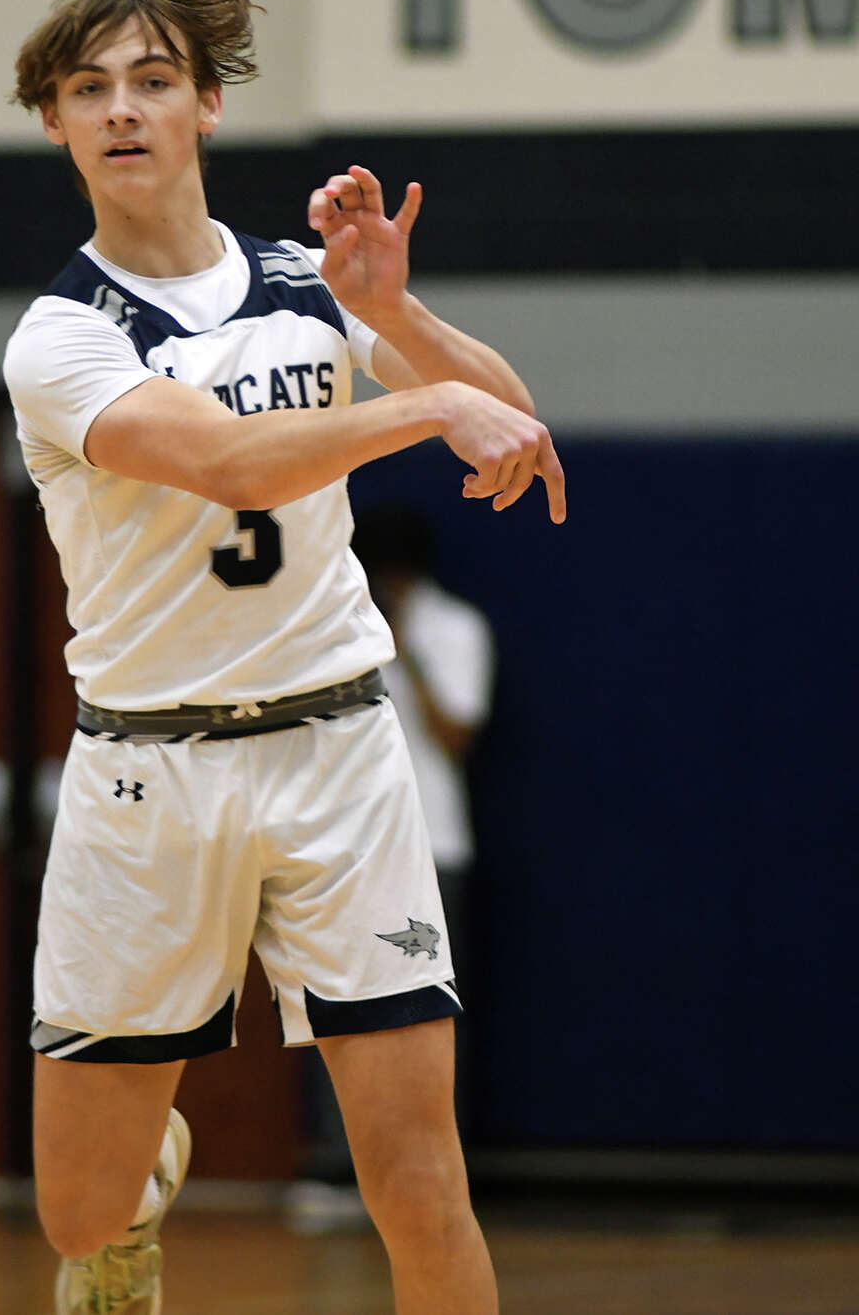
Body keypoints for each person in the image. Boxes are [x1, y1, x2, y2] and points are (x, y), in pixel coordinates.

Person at [2, 0, 565, 1315]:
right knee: (75, 1206)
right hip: (150, 773)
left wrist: (405, 317)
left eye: (150, 78)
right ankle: (136, 1196)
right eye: (89, 88)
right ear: (55, 126)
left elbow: (517, 418)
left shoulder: (313, 281)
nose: (123, 107)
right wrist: (420, 401)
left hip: (337, 747)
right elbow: (234, 464)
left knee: (421, 1180)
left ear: (207, 102)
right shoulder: (60, 339)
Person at [293, 505, 495, 1229]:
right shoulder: (331, 626)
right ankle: (336, 1168)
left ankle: (436, 1181)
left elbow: (457, 733)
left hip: (433, 848)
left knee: (427, 1019)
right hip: (345, 851)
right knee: (334, 1012)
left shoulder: (458, 629)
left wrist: (405, 649)